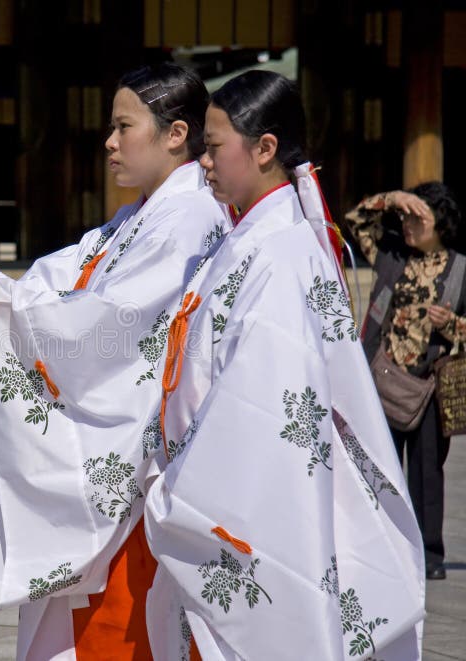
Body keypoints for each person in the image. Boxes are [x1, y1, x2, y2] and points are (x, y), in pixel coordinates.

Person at [0, 61, 231, 659]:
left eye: (123, 126)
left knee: (122, 629)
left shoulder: (191, 216)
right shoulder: (139, 217)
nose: (110, 142)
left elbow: (107, 320)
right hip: (129, 451)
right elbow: (66, 275)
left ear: (175, 134)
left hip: (144, 462)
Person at [143, 70, 426, 659]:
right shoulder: (252, 240)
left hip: (249, 493)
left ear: (264, 148)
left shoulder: (281, 252)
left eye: (215, 147)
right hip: (214, 474)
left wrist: (183, 492)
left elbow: (265, 403)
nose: (204, 164)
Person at [344, 181, 465, 581]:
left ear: (441, 224)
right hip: (383, 379)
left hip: (429, 385)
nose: (409, 224)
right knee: (381, 466)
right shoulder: (392, 254)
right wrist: (393, 199)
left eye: (420, 218)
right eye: (406, 216)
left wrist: (453, 325)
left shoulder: (459, 269)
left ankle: (429, 553)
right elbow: (355, 221)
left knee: (428, 471)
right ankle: (381, 543)